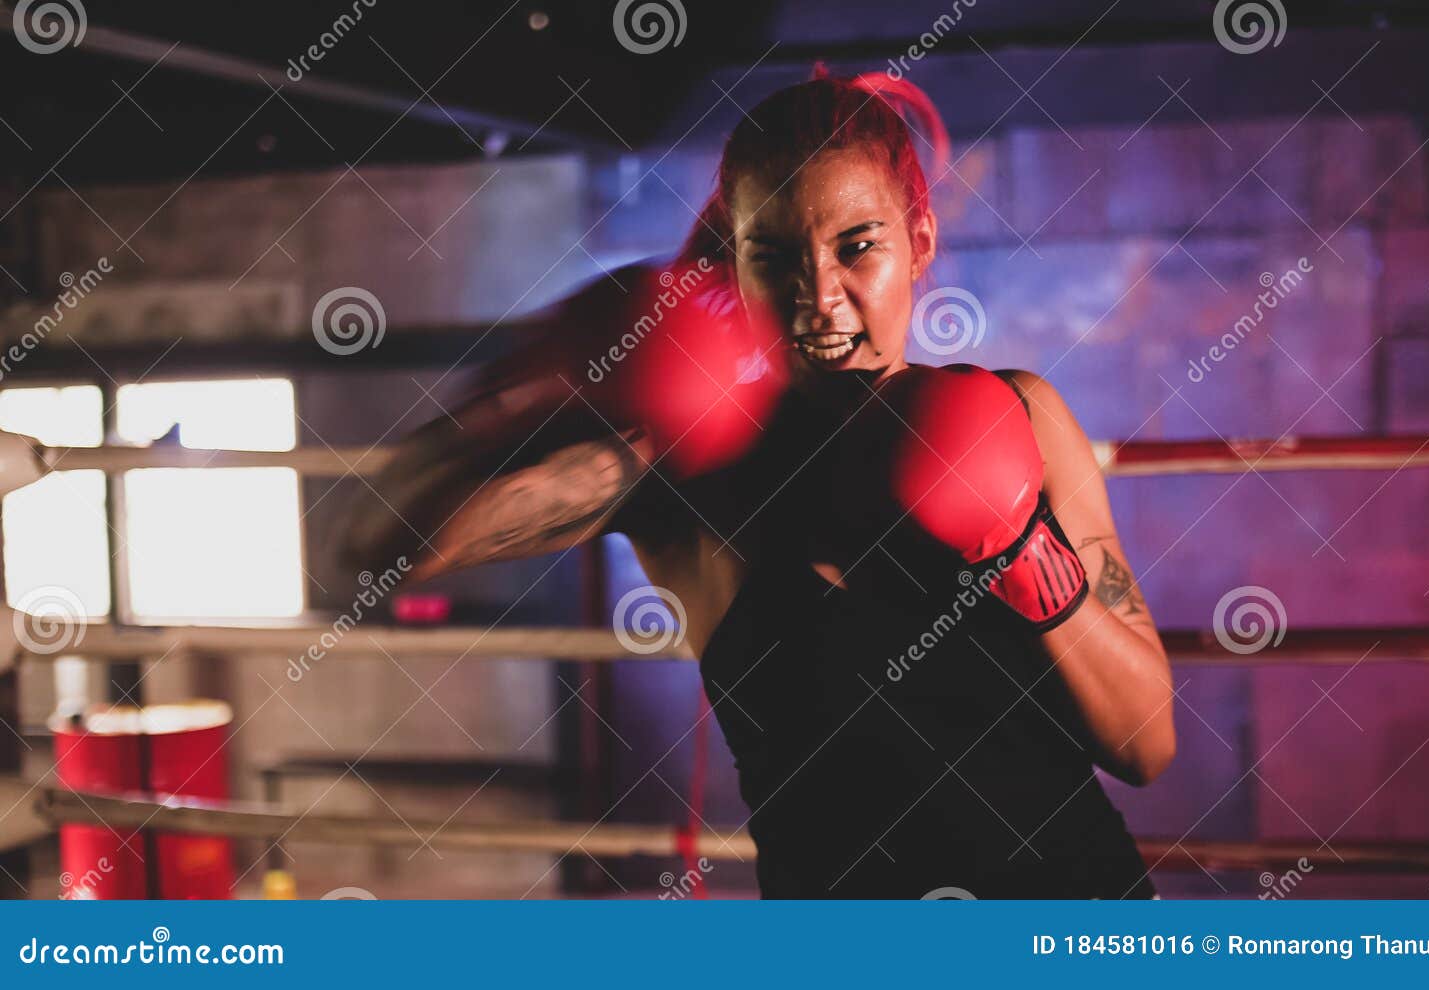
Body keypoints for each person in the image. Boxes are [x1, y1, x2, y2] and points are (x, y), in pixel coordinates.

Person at [343, 69, 1174, 899]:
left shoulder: (1020, 417)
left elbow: (1145, 745)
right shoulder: (692, 478)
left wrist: (1018, 551)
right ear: (731, 269)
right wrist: (544, 380)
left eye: (858, 246)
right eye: (773, 256)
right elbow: (382, 541)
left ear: (919, 242)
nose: (820, 297)